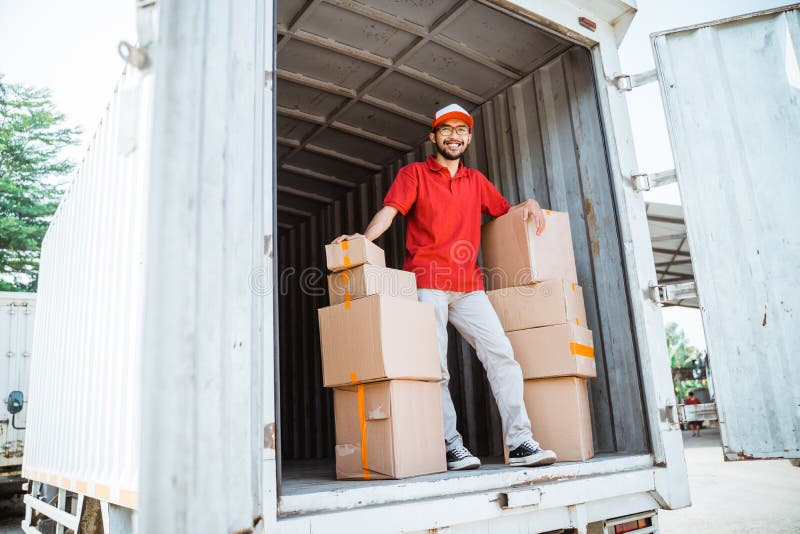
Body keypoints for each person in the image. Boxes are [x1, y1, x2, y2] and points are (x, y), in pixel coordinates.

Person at [332, 103, 557, 470]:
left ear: (468, 138)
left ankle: (519, 443)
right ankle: (450, 445)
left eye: (462, 130)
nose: (455, 136)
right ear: (433, 137)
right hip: (427, 282)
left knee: (502, 355)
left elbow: (504, 212)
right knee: (438, 368)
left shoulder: (477, 181)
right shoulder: (414, 174)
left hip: (469, 286)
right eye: (447, 129)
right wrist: (363, 238)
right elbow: (390, 211)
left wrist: (529, 203)